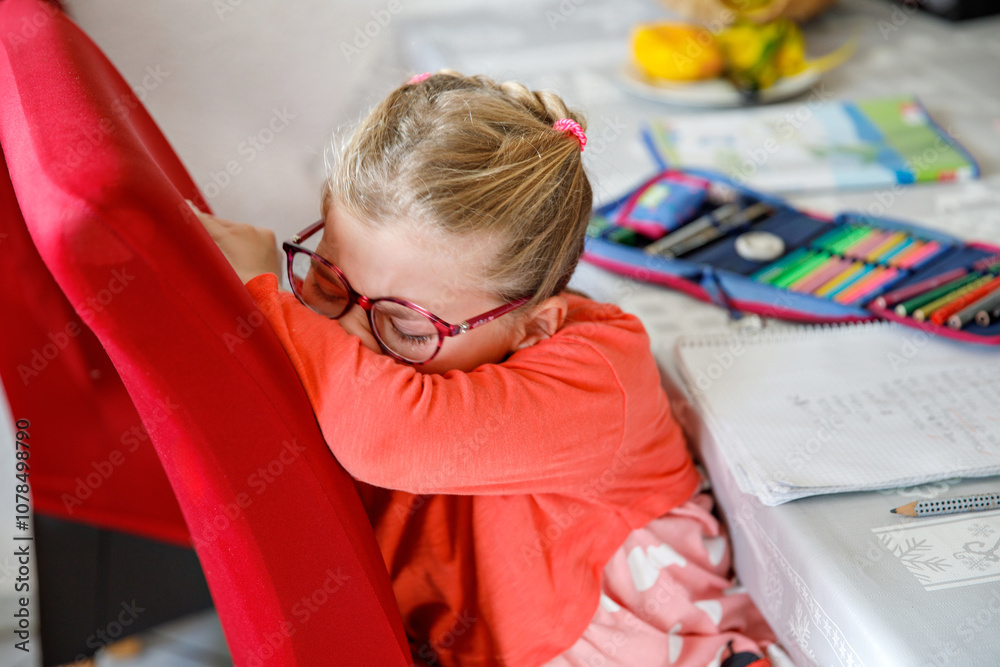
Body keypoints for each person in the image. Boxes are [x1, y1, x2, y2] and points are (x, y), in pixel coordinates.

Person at [193, 70, 777, 667]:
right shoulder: (365, 351)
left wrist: (261, 294)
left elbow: (393, 437)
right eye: (326, 280)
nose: (347, 335)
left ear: (533, 325)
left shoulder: (602, 376)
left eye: (409, 327)